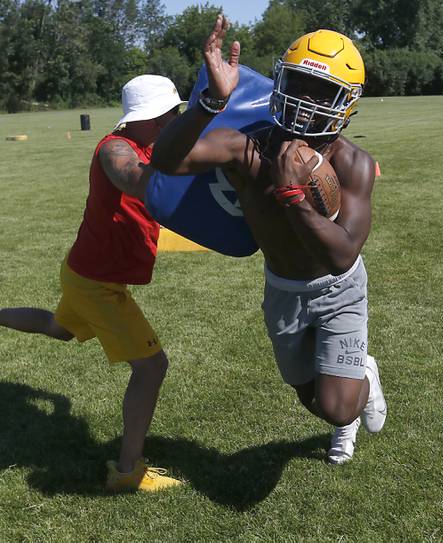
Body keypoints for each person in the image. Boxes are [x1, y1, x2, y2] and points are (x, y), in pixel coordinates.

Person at [151, 15, 387, 464]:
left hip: (339, 289)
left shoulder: (353, 162)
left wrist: (293, 196)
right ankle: (351, 385)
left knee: (337, 407)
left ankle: (361, 383)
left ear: (347, 103)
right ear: (281, 81)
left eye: (323, 92)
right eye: (299, 83)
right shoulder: (248, 147)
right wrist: (209, 102)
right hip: (283, 288)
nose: (306, 101)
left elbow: (342, 254)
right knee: (309, 396)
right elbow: (165, 159)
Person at [0, 75, 185, 492]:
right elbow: (131, 177)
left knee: (59, 328)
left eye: (176, 113)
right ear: (142, 118)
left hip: (83, 271)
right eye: (167, 114)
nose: (173, 120)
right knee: (151, 368)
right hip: (97, 283)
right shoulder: (116, 148)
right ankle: (128, 471)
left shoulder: (151, 143)